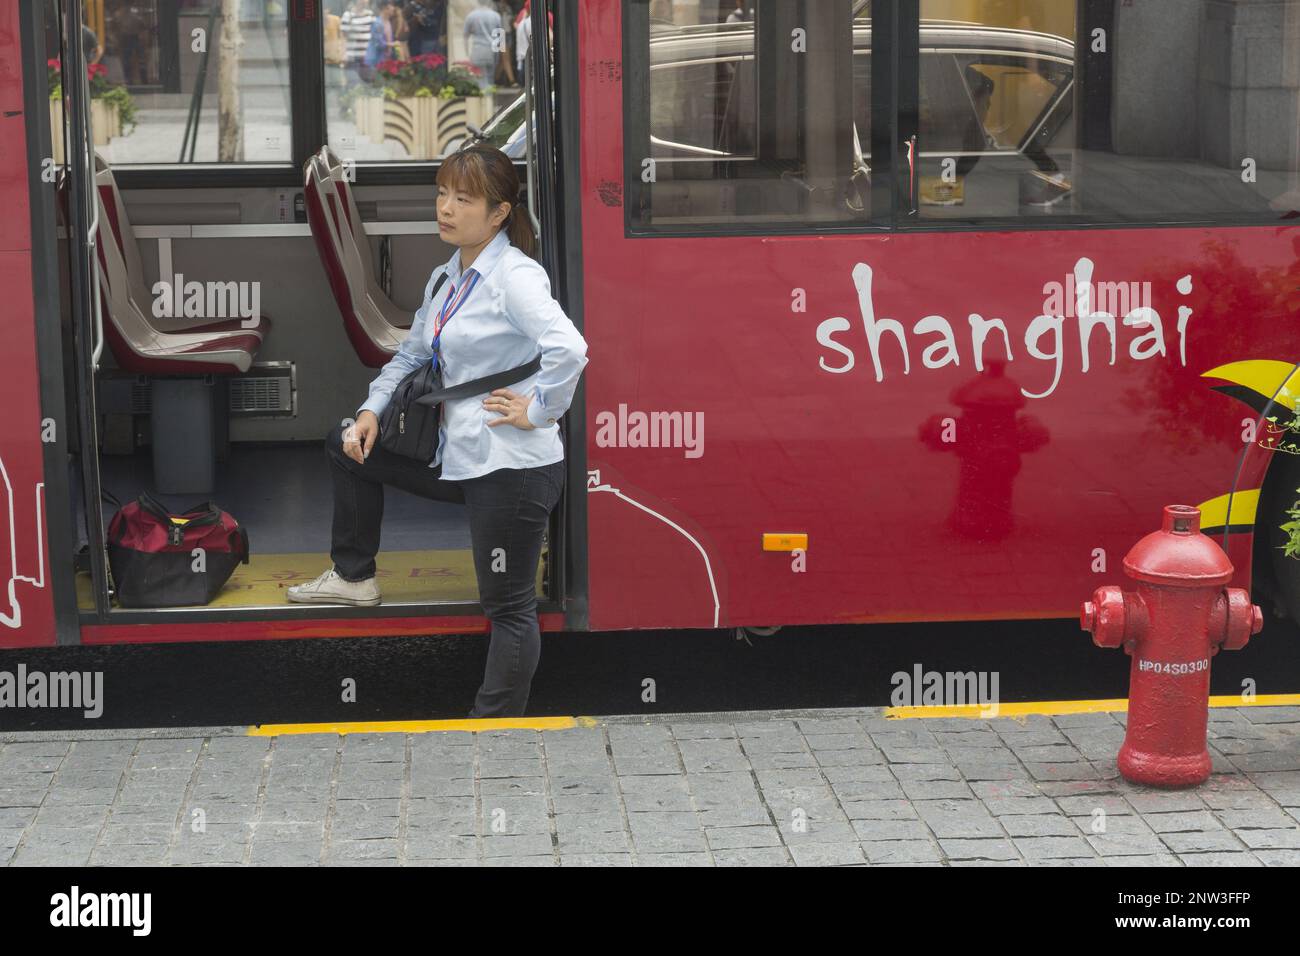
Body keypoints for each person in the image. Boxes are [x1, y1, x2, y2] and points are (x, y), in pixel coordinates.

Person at [288, 145, 589, 719]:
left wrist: (540, 410)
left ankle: (495, 723)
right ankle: (354, 577)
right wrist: (372, 410)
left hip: (510, 468)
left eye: (463, 199)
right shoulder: (448, 276)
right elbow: (409, 357)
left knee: (507, 605)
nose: (446, 208)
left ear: (499, 213)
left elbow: (570, 349)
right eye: (442, 194)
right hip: (457, 457)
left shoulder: (514, 276)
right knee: (346, 443)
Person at [464, 0, 502, 92]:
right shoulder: (496, 16)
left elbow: (465, 36)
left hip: (477, 50)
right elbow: (500, 36)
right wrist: (500, 54)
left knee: (479, 79)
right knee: (490, 78)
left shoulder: (471, 16)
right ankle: (489, 102)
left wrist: (467, 53)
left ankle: (483, 102)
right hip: (491, 51)